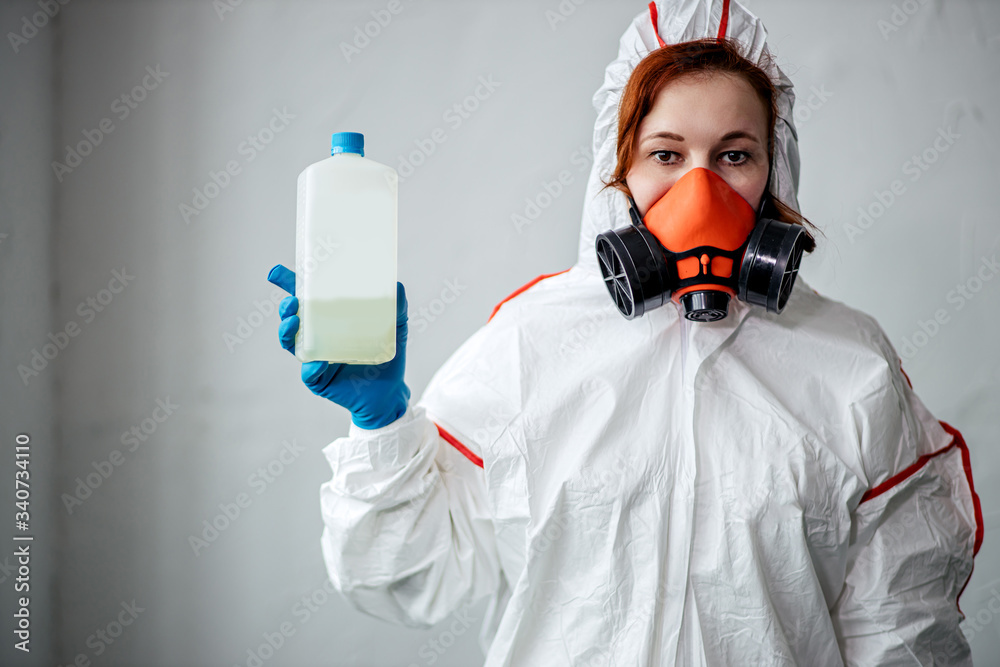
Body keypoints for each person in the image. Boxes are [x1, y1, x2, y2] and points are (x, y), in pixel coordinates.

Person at [267, 1, 983, 664]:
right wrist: (382, 424)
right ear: (619, 170)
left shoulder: (849, 366)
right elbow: (405, 579)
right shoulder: (532, 345)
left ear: (776, 169)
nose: (699, 192)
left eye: (734, 155)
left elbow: (902, 630)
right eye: (666, 155)